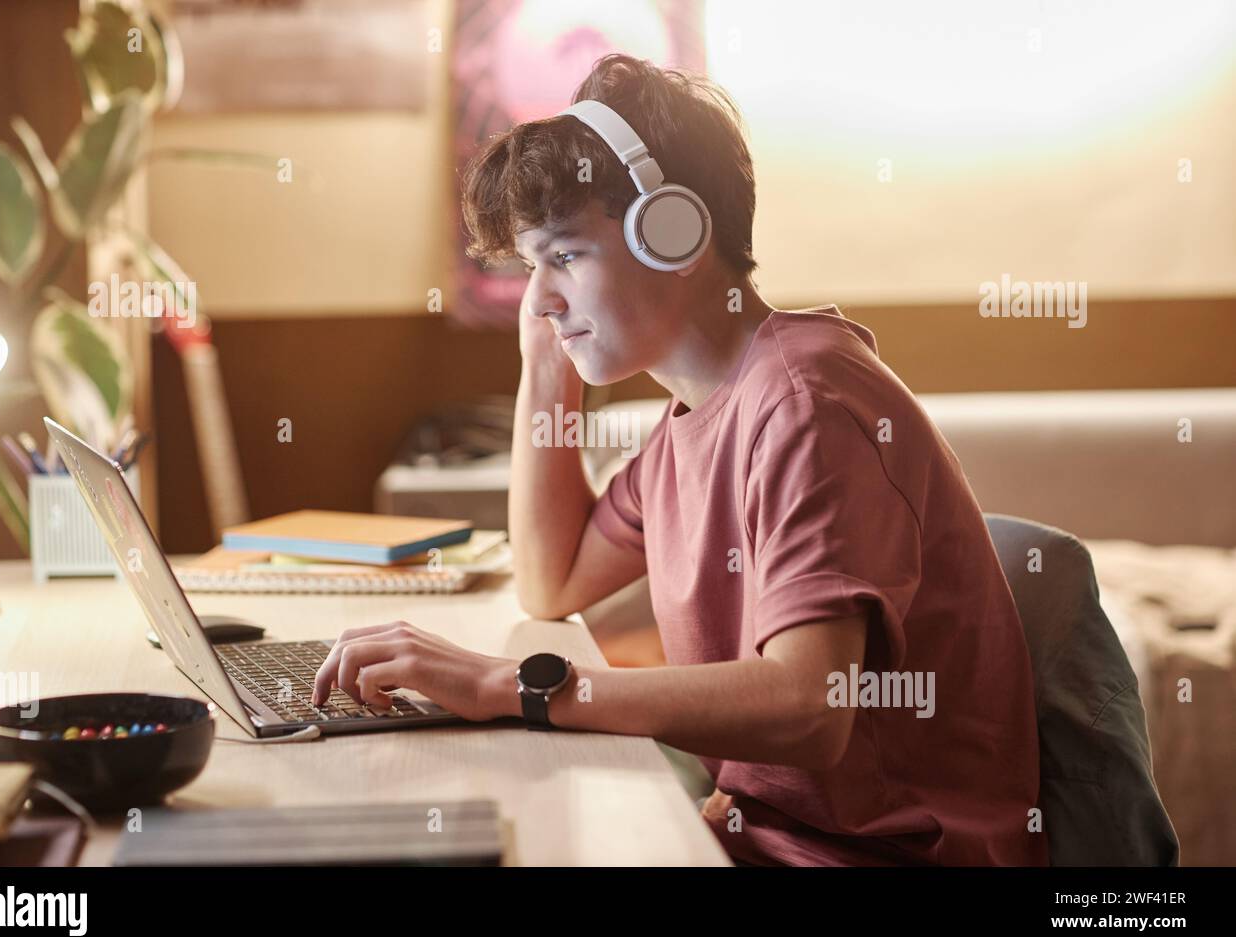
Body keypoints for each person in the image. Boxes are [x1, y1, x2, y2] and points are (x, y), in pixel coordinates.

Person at [314, 53, 1047, 867]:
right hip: (755, 840)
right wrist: (547, 362)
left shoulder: (807, 404)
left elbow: (812, 704)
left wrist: (508, 685)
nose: (542, 298)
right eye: (532, 268)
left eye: (564, 256)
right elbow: (552, 578)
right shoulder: (694, 417)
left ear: (673, 234)